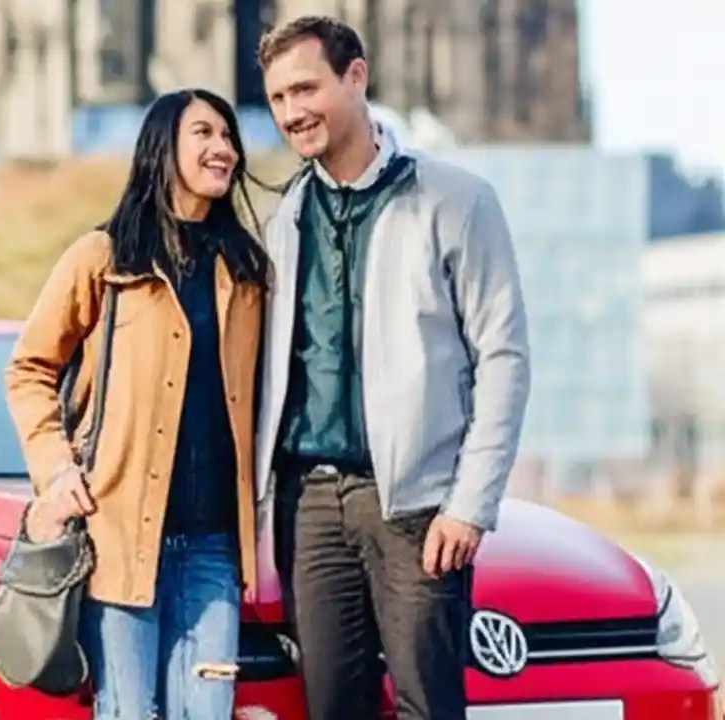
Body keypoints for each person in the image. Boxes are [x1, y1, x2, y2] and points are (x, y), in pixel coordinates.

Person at [252, 15, 532, 720]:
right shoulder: (283, 220)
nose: (293, 112)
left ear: (357, 77)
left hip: (415, 503)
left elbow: (503, 356)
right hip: (308, 505)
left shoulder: (457, 200)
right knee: (331, 707)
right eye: (279, 98)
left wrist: (470, 503)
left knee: (427, 704)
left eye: (307, 88)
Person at [4, 89, 270, 720]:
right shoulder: (104, 259)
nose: (223, 149)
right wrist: (57, 472)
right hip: (120, 541)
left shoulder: (249, 270)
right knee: (128, 712)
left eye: (229, 136)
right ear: (162, 147)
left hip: (213, 549)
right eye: (204, 133)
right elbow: (29, 368)